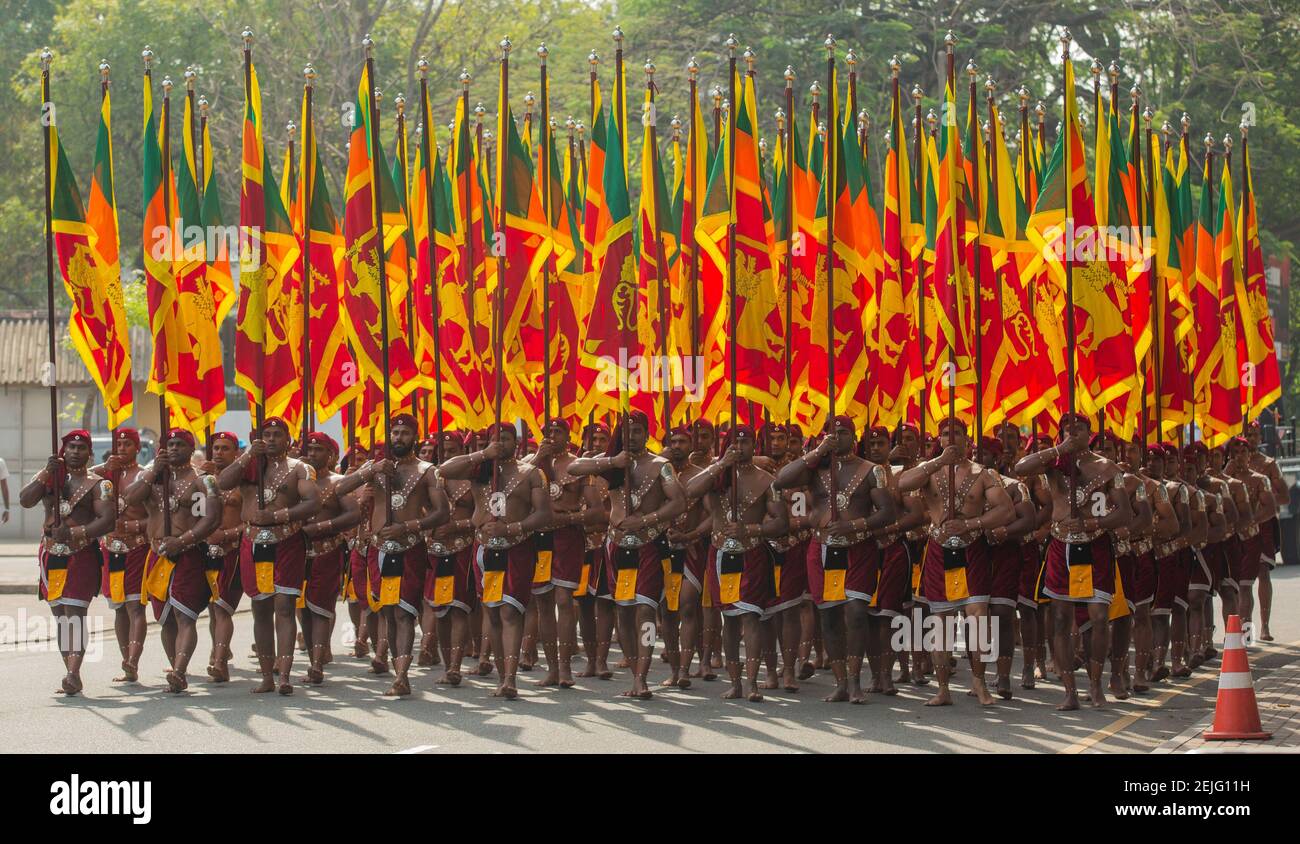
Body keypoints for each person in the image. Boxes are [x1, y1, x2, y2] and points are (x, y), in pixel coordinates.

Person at [1014, 414, 1133, 709]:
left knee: (1098, 618)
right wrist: (1059, 450)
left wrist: (1095, 523)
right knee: (1060, 619)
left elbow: (1125, 512)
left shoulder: (1107, 468)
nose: (1073, 432)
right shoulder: (1054, 464)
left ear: (1089, 433)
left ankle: (1095, 684)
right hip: (1061, 547)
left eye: (1079, 428)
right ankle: (1069, 690)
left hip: (1096, 548)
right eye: (1067, 429)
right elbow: (1020, 468)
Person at [775, 415, 898, 703]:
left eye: (843, 433)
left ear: (854, 437)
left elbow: (887, 513)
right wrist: (817, 452)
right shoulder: (816, 468)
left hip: (858, 548)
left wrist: (855, 525)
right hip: (822, 548)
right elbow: (782, 480)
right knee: (829, 616)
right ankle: (841, 682)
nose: (837, 437)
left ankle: (855, 681)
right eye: (832, 433)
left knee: (855, 612)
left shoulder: (872, 471)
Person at [567, 411, 686, 699]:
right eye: (627, 430)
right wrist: (613, 461)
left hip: (648, 545)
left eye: (637, 431)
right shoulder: (612, 464)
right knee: (624, 610)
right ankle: (634, 673)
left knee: (645, 609)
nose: (631, 436)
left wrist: (646, 520)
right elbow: (574, 468)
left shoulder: (662, 465)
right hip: (617, 546)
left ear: (647, 433)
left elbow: (679, 501)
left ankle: (643, 677)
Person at [898, 417, 1013, 707]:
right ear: (939, 438)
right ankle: (943, 689)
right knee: (941, 623)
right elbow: (902, 483)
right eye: (946, 434)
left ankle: (980, 684)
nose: (951, 438)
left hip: (971, 549)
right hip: (938, 550)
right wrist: (937, 462)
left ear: (967, 438)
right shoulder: (928, 471)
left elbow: (1005, 510)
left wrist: (973, 523)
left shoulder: (983, 473)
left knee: (978, 619)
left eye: (957, 433)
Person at [335, 414, 449, 696]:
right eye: (394, 432)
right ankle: (389, 660)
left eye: (405, 433)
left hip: (410, 548)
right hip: (378, 549)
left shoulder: (428, 470)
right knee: (386, 610)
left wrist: (408, 526)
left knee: (404, 613)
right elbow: (338, 489)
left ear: (415, 436)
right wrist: (368, 472)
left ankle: (402, 675)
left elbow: (441, 512)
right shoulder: (375, 468)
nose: (398, 437)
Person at [439, 423, 551, 699]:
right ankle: (502, 678)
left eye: (505, 438)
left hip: (517, 549)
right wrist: (483, 454)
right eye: (494, 439)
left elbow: (543, 514)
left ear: (517, 442)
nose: (500, 443)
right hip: (484, 551)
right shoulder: (479, 471)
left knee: (510, 612)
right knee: (492, 612)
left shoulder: (532, 473)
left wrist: (512, 528)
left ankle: (511, 679)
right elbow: (444, 469)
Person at [216, 417, 322, 695]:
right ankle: (266, 677)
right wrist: (249, 454)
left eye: (278, 434)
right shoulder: (250, 466)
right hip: (252, 543)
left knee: (285, 607)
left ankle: (284, 675)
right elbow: (221, 482)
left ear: (288, 439)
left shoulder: (301, 468)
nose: (272, 439)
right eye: (267, 434)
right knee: (260, 608)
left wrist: (277, 515)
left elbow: (313, 502)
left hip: (286, 541)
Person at [685, 424, 787, 701]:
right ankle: (735, 682)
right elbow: (690, 491)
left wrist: (752, 530)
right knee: (728, 620)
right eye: (735, 443)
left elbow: (781, 522)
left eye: (746, 442)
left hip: (752, 553)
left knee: (750, 617)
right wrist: (721, 465)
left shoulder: (768, 481)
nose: (740, 448)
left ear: (755, 445)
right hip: (719, 554)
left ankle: (752, 682)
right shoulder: (716, 477)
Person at [121, 428, 221, 693]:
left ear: (190, 449)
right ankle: (174, 664)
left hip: (188, 555)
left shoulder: (204, 481)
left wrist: (184, 540)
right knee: (165, 618)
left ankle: (179, 671)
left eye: (179, 444)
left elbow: (210, 519)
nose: (174, 448)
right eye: (168, 444)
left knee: (184, 614)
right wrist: (154, 470)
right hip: (156, 555)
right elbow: (129, 498)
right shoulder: (151, 477)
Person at [19, 430, 116, 695]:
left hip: (81, 554)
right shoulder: (51, 478)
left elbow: (108, 520)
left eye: (81, 448)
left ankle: (73, 672)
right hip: (51, 554)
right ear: (63, 451)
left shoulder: (99, 484)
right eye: (71, 447)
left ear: (89, 453)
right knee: (60, 616)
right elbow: (25, 500)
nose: (75, 452)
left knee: (75, 614)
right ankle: (70, 670)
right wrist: (45, 473)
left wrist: (76, 532)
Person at [527, 417, 596, 687]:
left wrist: (568, 518)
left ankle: (566, 668)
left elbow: (595, 510)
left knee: (564, 601)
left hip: (568, 538)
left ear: (569, 436)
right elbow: (514, 490)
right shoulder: (532, 463)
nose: (552, 436)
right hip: (539, 539)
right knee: (543, 603)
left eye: (558, 431)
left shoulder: (578, 466)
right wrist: (536, 458)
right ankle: (552, 668)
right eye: (548, 432)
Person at [859, 425, 926, 695]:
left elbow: (916, 514)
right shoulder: (856, 475)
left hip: (894, 551)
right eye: (871, 444)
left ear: (890, 446)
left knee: (888, 616)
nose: (875, 448)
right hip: (863, 551)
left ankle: (888, 675)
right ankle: (875, 676)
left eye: (881, 443)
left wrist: (886, 529)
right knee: (865, 617)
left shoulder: (901, 477)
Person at [299, 432, 362, 685]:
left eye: (318, 450)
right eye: (309, 449)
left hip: (327, 550)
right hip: (298, 552)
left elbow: (353, 515)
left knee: (321, 606)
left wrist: (322, 527)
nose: (312, 453)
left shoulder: (339, 483)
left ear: (331, 455)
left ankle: (316, 664)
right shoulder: (297, 478)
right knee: (301, 607)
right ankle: (316, 651)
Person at [92, 429, 150, 682]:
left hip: (137, 547)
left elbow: (158, 517)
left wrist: (134, 527)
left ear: (137, 448)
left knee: (135, 606)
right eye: (119, 444)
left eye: (128, 444)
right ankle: (126, 662)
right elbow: (81, 477)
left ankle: (133, 660)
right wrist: (105, 466)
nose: (122, 448)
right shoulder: (104, 474)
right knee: (118, 609)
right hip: (110, 549)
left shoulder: (145, 476)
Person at [425, 431, 476, 685]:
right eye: (442, 450)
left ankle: (455, 666)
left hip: (463, 547)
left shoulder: (473, 477)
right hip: (434, 550)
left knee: (458, 609)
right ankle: (447, 665)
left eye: (452, 450)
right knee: (440, 610)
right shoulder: (429, 477)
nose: (446, 455)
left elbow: (483, 515)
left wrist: (458, 526)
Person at [662, 424, 711, 688]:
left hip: (691, 549)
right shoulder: (657, 472)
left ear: (690, 445)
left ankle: (684, 669)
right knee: (667, 611)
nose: (678, 446)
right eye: (673, 441)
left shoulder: (700, 476)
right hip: (663, 549)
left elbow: (713, 514)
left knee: (688, 605)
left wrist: (692, 535)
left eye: (683, 441)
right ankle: (673, 667)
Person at [200, 432, 245, 682]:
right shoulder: (202, 480)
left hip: (233, 552)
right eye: (215, 448)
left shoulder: (244, 483)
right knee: (211, 607)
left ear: (236, 453)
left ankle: (219, 663)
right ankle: (219, 650)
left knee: (223, 607)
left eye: (225, 448)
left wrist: (227, 533)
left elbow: (249, 520)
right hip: (206, 551)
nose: (218, 452)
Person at [1245, 421, 1286, 641]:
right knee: (1243, 581)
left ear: (1261, 437)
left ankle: (1265, 627)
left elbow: (1284, 497)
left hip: (1264, 525)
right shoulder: (1232, 466)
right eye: (1248, 434)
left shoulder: (1270, 465)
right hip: (1243, 527)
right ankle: (1246, 631)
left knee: (1263, 573)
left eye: (1255, 435)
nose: (1252, 439)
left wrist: (1264, 503)